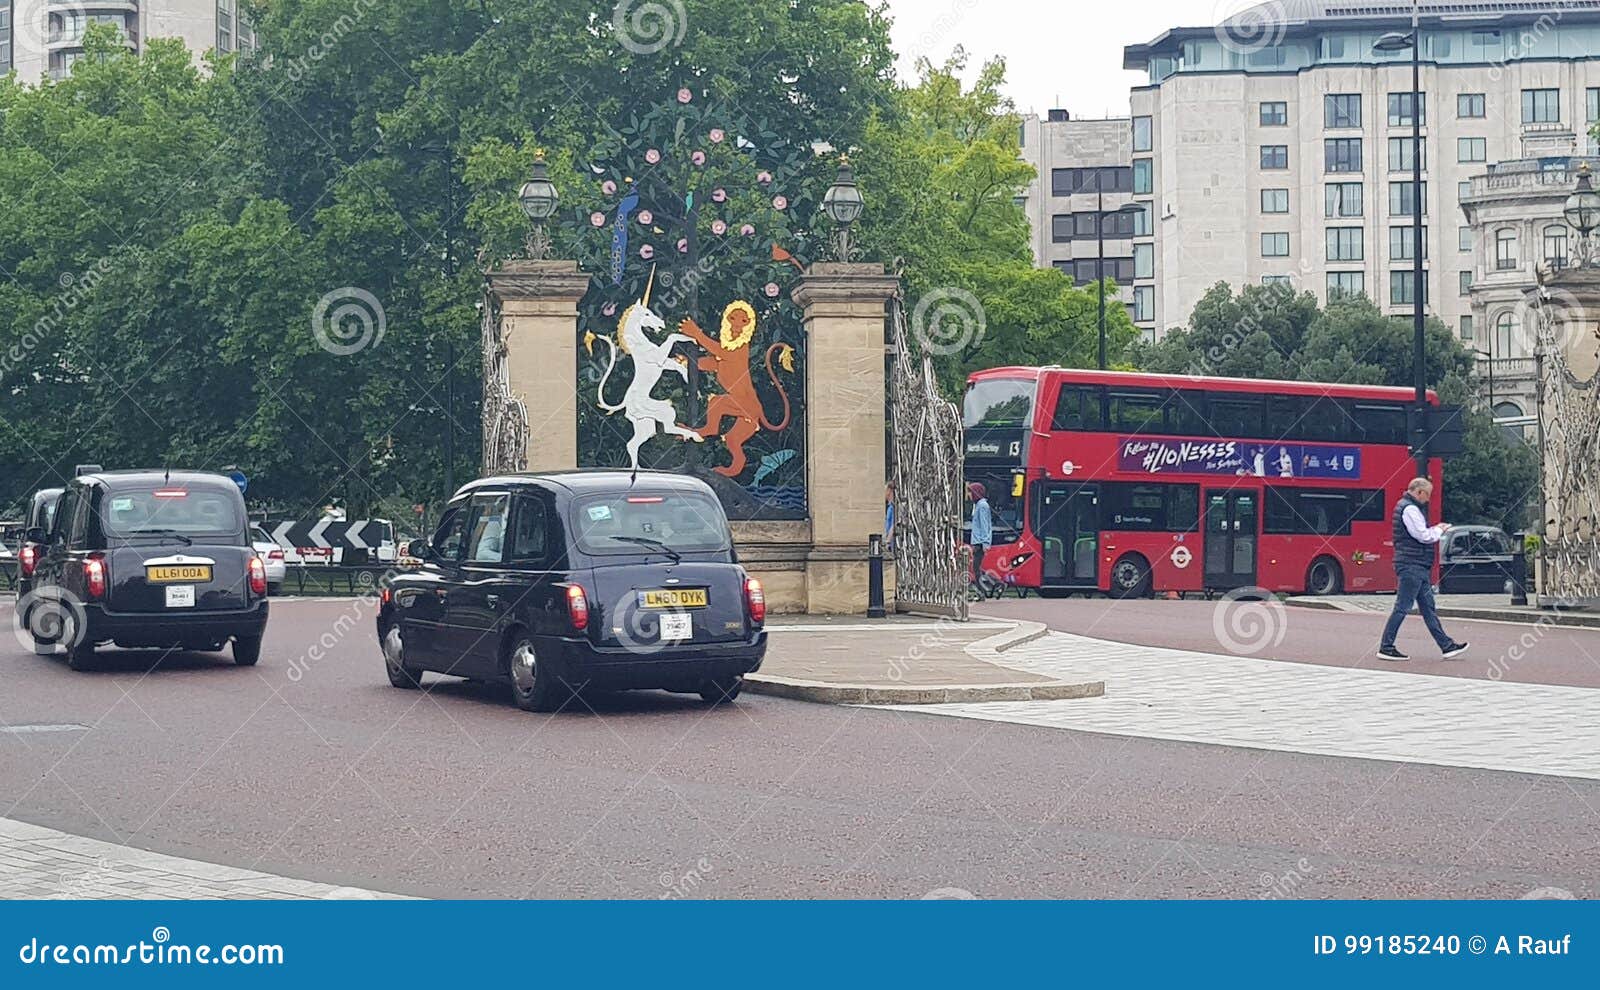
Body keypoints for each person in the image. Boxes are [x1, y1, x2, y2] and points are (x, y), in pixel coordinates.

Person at [1378, 478, 1468, 662]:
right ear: (1419, 492)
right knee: (1402, 607)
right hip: (1412, 564)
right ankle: (1386, 647)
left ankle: (1446, 646)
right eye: (1427, 494)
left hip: (1417, 565)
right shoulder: (1410, 509)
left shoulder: (1405, 506)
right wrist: (1439, 529)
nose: (1428, 499)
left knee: (1428, 608)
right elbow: (1423, 536)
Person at [968, 481, 992, 585]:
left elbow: (984, 525)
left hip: (979, 542)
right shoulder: (978, 505)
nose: (969, 495)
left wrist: (985, 543)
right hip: (977, 541)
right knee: (976, 568)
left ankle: (981, 591)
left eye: (970, 492)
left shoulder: (982, 506)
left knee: (976, 568)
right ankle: (997, 583)